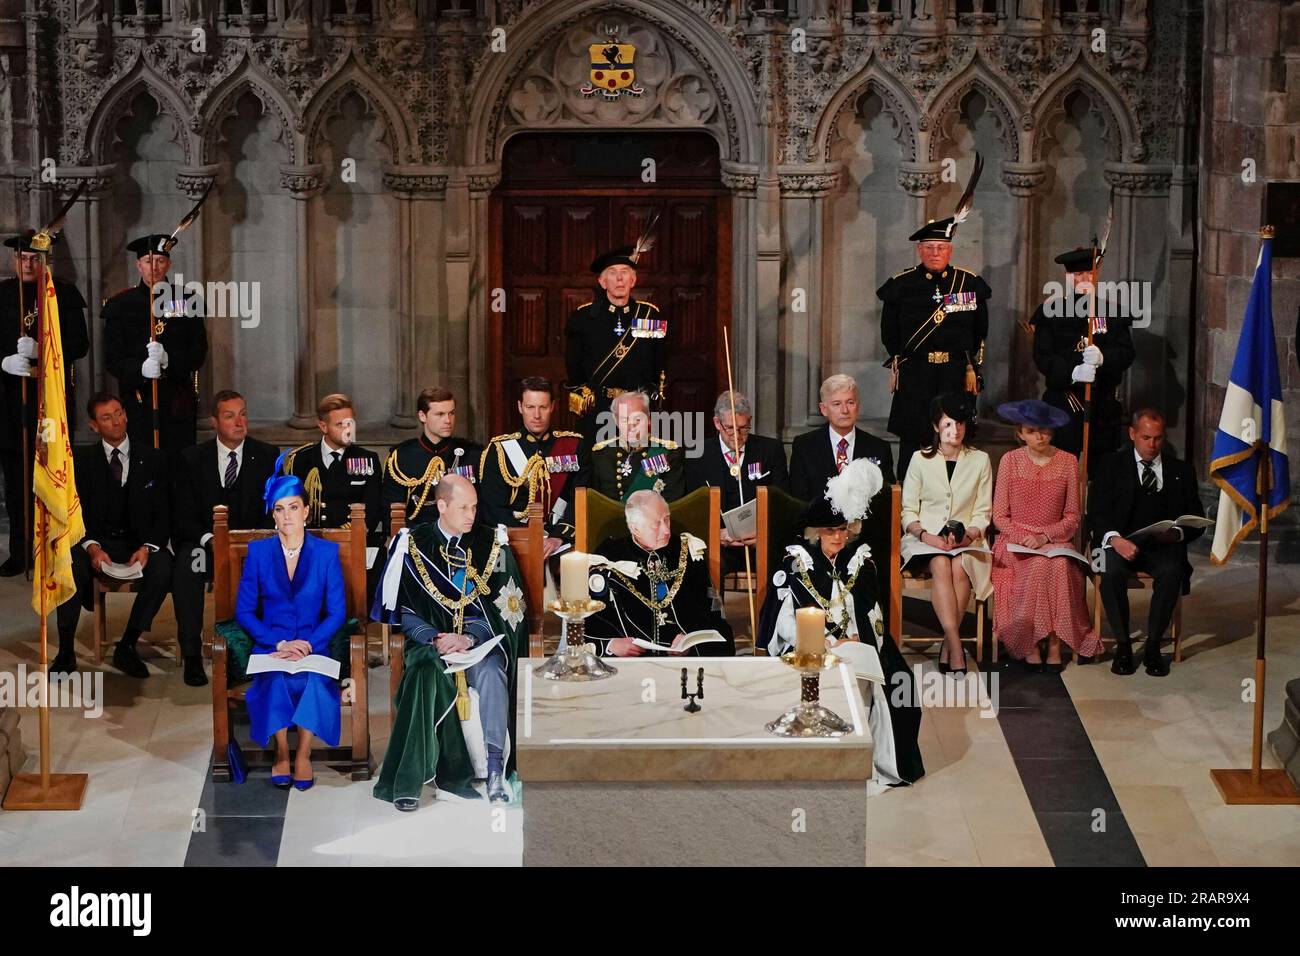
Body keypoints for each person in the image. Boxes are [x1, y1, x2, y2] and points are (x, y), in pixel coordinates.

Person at [758, 458, 923, 788]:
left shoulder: (862, 561)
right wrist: (829, 643)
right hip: (813, 649)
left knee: (900, 682)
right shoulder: (795, 565)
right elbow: (784, 623)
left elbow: (873, 613)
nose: (837, 537)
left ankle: (872, 760)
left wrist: (856, 642)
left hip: (860, 646)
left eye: (842, 529)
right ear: (816, 533)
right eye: (829, 530)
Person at [371, 475, 528, 810]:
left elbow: (509, 607)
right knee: (424, 673)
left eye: (474, 506)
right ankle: (410, 778)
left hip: (479, 645)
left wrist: (470, 637)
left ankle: (496, 769)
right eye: (463, 507)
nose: (472, 514)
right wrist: (436, 638)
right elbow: (404, 610)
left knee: (493, 671)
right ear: (442, 506)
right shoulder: (413, 544)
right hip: (432, 646)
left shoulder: (492, 544)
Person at [236, 467, 346, 791]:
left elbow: (337, 612)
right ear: (273, 516)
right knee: (277, 678)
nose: (287, 516)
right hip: (273, 645)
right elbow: (244, 611)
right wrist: (279, 642)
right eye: (280, 509)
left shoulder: (326, 553)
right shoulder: (258, 553)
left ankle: (304, 755)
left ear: (306, 512)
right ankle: (282, 751)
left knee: (311, 679)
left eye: (294, 507)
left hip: (315, 645)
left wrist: (309, 644)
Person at [54, 393, 173, 677]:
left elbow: (165, 512)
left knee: (165, 567)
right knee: (68, 564)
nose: (116, 421)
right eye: (107, 417)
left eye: (119, 413)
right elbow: (74, 512)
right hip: (98, 542)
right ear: (94, 425)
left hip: (138, 544)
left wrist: (147, 547)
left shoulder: (154, 459)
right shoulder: (81, 461)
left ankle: (128, 645)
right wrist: (92, 547)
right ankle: (66, 650)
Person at [171, 389, 279, 686]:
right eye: (230, 416)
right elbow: (182, 514)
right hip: (203, 543)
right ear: (215, 421)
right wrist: (210, 539)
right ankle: (192, 654)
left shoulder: (268, 455)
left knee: (271, 565)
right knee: (186, 566)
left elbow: (271, 511)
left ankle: (254, 650)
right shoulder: (192, 458)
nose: (239, 422)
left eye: (243, 414)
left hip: (250, 544)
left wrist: (249, 543)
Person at [1090, 408, 1206, 678]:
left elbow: (1195, 517)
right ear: (1132, 434)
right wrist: (1115, 540)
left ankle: (1153, 646)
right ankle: (1123, 645)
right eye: (1145, 438)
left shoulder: (1181, 470)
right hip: (1121, 543)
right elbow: (1098, 513)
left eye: (1158, 438)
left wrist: (1176, 534)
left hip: (1162, 546)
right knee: (1110, 573)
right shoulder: (1111, 465)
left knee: (1172, 572)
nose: (1152, 445)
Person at [0, 230, 89, 576]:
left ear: (45, 261)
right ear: (13, 261)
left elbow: (79, 345)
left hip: (48, 403)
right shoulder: (3, 294)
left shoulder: (62, 294)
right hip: (9, 404)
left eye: (34, 259)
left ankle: (53, 549)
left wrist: (45, 350)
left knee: (51, 476)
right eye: (22, 258)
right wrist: (4, 361)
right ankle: (21, 551)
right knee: (16, 482)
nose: (27, 264)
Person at [991, 399, 1102, 670]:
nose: (1038, 436)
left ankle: (1054, 642)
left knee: (1060, 565)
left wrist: (1045, 537)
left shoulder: (1067, 461)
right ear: (1020, 433)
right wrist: (1025, 537)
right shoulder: (1010, 461)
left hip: (1055, 540)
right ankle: (1029, 642)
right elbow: (999, 516)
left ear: (1052, 431)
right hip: (1016, 541)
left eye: (1043, 430)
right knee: (1039, 565)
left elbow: (1073, 517)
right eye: (1031, 431)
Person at [878, 217, 991, 480]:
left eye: (941, 247)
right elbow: (889, 333)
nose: (935, 253)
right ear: (919, 250)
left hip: (955, 374)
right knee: (912, 442)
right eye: (929, 247)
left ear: (950, 250)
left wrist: (969, 365)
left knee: (954, 440)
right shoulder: (901, 285)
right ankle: (908, 508)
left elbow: (979, 331)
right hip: (916, 374)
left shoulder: (969, 284)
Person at [789, 374, 896, 634]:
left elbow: (886, 503)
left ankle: (873, 636)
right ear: (823, 409)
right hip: (820, 538)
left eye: (850, 402)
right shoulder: (805, 446)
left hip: (864, 538)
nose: (844, 410)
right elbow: (799, 498)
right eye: (836, 404)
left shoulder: (878, 448)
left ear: (858, 405)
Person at [899, 393, 992, 675]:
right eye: (949, 424)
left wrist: (968, 536)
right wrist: (926, 536)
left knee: (959, 566)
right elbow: (907, 511)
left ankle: (948, 646)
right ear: (937, 427)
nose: (956, 431)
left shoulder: (980, 460)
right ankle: (954, 642)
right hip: (923, 540)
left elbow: (983, 511)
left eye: (960, 424)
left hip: (967, 541)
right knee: (940, 562)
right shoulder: (919, 459)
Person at [585, 490, 735, 657]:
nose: (666, 530)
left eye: (667, 519)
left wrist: (691, 642)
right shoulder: (608, 557)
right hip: (630, 663)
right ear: (635, 528)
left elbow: (709, 613)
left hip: (684, 663)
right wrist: (610, 645)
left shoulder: (687, 551)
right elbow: (589, 621)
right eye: (656, 524)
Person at [101, 233, 208, 454]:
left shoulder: (187, 300)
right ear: (139, 265)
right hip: (137, 401)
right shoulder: (121, 304)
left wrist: (169, 360)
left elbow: (198, 352)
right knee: (142, 462)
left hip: (177, 401)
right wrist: (140, 369)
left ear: (168, 264)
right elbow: (112, 359)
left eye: (160, 261)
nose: (155, 267)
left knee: (179, 463)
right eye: (149, 261)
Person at [1031, 245, 1136, 464]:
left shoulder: (1113, 312)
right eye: (1077, 274)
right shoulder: (1050, 313)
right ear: (1068, 276)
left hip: (1102, 407)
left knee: (1102, 474)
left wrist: (1103, 358)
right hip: (1063, 405)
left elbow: (1127, 353)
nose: (1084, 279)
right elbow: (1042, 356)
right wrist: (1072, 371)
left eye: (1089, 273)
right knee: (1061, 471)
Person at [565, 244, 667, 444]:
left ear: (633, 280)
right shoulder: (583, 318)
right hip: (599, 409)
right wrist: (584, 396)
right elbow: (574, 368)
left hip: (638, 408)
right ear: (602, 282)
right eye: (612, 273)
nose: (619, 279)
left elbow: (660, 362)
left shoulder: (650, 315)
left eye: (625, 272)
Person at [685, 389, 790, 578]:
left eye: (743, 428)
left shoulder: (771, 450)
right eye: (730, 428)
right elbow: (692, 508)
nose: (737, 435)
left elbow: (782, 502)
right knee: (700, 562)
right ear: (717, 423)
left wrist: (763, 533)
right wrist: (716, 534)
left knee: (783, 559)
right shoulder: (697, 454)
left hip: (761, 541)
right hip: (719, 543)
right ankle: (716, 608)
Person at [478, 376, 587, 553]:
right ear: (520, 407)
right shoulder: (499, 450)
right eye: (530, 407)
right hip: (515, 540)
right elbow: (492, 507)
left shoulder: (574, 446)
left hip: (560, 541)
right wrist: (528, 538)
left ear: (552, 407)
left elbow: (580, 499)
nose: (537, 415)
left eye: (543, 407)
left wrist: (558, 537)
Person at [281, 393, 384, 540]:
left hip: (353, 541)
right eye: (340, 425)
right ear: (323, 427)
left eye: (350, 423)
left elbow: (373, 511)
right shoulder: (301, 460)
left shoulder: (367, 460)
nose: (348, 430)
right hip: (311, 542)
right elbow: (292, 508)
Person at [383, 386, 482, 527]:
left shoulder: (472, 453)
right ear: (422, 416)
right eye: (440, 414)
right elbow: (390, 512)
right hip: (416, 537)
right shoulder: (401, 457)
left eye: (451, 413)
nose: (448, 420)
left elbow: (483, 506)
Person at [588, 390, 685, 503]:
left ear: (648, 420)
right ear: (616, 422)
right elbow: (594, 502)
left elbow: (673, 501)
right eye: (624, 420)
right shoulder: (602, 454)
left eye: (637, 420)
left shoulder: (667, 453)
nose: (631, 426)